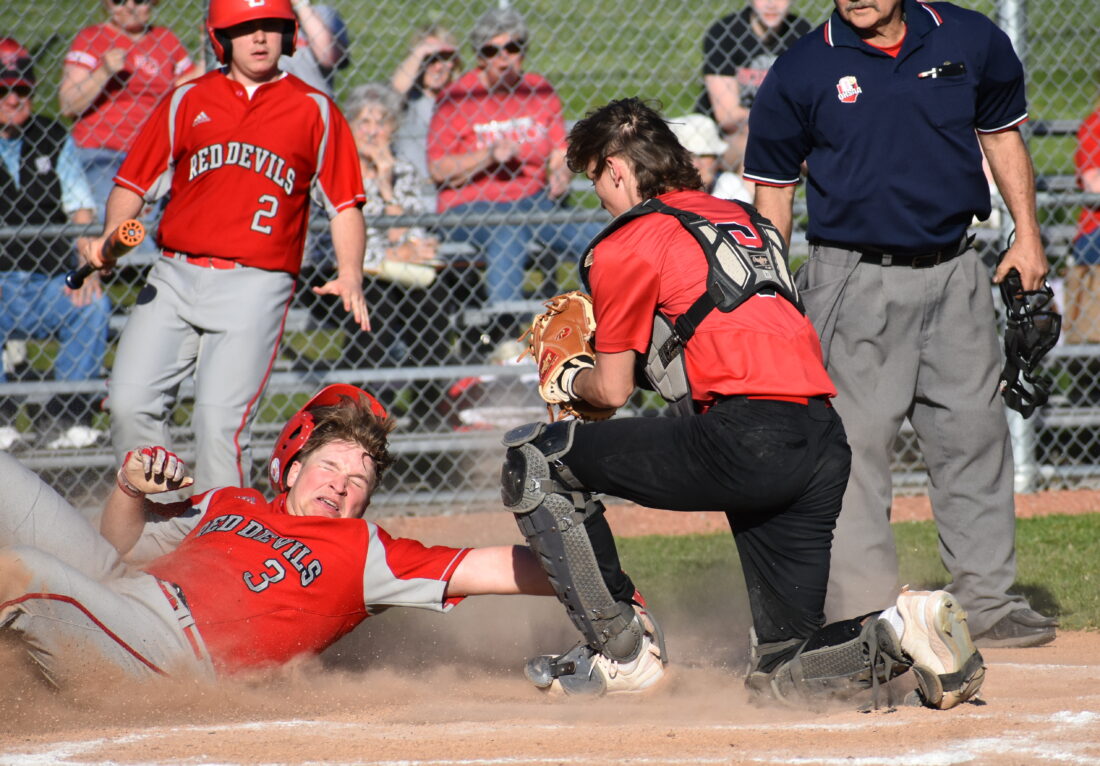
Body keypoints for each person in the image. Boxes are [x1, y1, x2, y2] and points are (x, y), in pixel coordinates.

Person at [498, 97, 985, 711]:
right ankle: (902, 631)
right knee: (780, 674)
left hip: (746, 436)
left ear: (616, 169)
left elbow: (612, 391)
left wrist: (568, 379)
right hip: (820, 441)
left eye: (596, 179)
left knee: (534, 458)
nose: (599, 196)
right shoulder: (742, 219)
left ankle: (621, 655)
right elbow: (706, 344)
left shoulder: (626, 239)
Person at [744, 0, 1058, 648]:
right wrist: (772, 296)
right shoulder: (802, 68)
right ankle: (864, 611)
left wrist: (1027, 236)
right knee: (855, 451)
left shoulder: (969, 38)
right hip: (853, 277)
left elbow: (1002, 136)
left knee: (974, 437)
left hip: (957, 269)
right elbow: (774, 191)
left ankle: (989, 601)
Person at [0, 384, 555, 684]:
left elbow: (485, 567)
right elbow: (118, 547)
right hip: (118, 589)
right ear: (291, 469)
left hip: (171, 650)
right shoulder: (232, 500)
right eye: (330, 467)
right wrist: (129, 488)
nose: (341, 485)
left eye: (359, 480)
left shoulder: (364, 550)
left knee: (17, 570)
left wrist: (587, 569)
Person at [80, 0, 371, 496]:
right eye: (244, 28)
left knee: (219, 426)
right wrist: (111, 236)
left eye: (270, 27)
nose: (259, 39)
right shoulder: (187, 100)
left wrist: (350, 272)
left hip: (255, 283)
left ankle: (224, 547)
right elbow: (132, 184)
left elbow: (345, 204)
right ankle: (159, 525)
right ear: (220, 39)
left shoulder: (314, 109)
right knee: (130, 405)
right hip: (173, 275)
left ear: (289, 35)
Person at [427, 7, 601, 316]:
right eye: (492, 50)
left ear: (524, 50)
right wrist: (488, 156)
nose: (504, 57)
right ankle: (505, 336)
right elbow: (438, 168)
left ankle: (600, 324)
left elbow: (559, 151)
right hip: (469, 207)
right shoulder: (457, 97)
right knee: (507, 232)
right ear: (480, 56)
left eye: (512, 47)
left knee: (596, 235)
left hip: (534, 203)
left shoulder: (540, 90)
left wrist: (560, 172)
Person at [0, 38, 110, 451]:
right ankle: (0, 420)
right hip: (2, 282)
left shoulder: (50, 134)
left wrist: (86, 268)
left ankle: (66, 417)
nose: (13, 98)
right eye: (3, 90)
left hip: (48, 280)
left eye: (22, 89)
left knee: (94, 305)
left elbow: (80, 205)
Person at [59, 0, 201, 219]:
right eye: (119, 1)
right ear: (107, 4)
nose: (129, 7)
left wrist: (207, 49)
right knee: (123, 228)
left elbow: (188, 89)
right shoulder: (92, 39)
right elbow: (68, 105)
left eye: (140, 1)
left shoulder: (165, 39)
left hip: (154, 156)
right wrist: (104, 71)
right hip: (102, 153)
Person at [697, 0, 810, 172]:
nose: (771, 4)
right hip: (728, 137)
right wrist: (782, 121)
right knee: (758, 143)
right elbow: (728, 117)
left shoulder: (802, 32)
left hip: (786, 130)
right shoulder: (725, 32)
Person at [391, 25, 460, 209]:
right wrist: (421, 52)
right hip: (414, 196)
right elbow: (395, 90)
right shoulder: (408, 99)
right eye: (430, 59)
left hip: (455, 196)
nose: (437, 67)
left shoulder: (462, 98)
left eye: (444, 59)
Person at [666, 113, 751, 202]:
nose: (695, 165)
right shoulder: (660, 195)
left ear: (718, 159)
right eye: (689, 156)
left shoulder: (730, 186)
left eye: (703, 156)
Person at [278, 0, 350, 97]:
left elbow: (328, 56)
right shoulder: (259, 16)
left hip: (315, 102)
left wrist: (301, 5)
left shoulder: (321, 13)